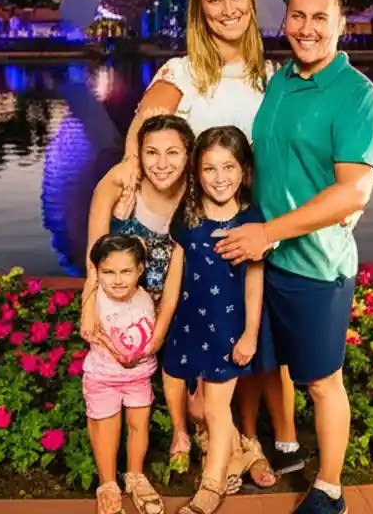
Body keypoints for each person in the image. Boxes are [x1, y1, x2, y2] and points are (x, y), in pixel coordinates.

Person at [100, 0, 298, 482]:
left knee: (253, 338)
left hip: (252, 224)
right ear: (200, 12)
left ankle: (247, 437)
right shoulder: (183, 72)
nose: (227, 9)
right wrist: (127, 170)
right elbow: (143, 127)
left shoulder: (271, 77)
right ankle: (214, 436)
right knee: (200, 333)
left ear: (251, 3)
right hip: (195, 229)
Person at [214, 0, 373, 514]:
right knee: (259, 365)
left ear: (340, 25)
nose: (306, 29)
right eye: (297, 16)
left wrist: (269, 232)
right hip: (262, 264)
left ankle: (330, 491)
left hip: (315, 269)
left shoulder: (356, 95)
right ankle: (263, 447)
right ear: (284, 19)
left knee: (321, 381)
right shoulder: (281, 81)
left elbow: (352, 191)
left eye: (320, 18)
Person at [156, 126, 266, 514]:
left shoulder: (252, 222)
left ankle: (211, 486)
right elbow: (173, 282)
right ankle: (237, 453)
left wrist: (250, 334)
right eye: (209, 169)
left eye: (229, 167)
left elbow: (255, 283)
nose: (220, 179)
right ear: (196, 172)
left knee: (218, 409)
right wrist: (159, 334)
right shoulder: (186, 220)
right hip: (188, 327)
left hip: (229, 329)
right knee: (198, 409)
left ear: (243, 170)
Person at [81, 114, 194, 472]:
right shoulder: (119, 184)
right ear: (138, 154)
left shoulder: (196, 194)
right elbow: (94, 258)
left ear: (189, 155)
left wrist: (160, 329)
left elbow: (181, 271)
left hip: (178, 303)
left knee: (200, 401)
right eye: (152, 153)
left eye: (173, 153)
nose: (162, 164)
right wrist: (88, 307)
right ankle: (112, 475)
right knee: (108, 380)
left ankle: (191, 431)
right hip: (124, 304)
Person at [82, 233, 165, 514]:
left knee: (139, 426)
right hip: (103, 378)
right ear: (96, 273)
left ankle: (135, 476)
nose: (117, 280)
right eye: (108, 272)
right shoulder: (94, 297)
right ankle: (107, 483)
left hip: (139, 377)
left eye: (126, 271)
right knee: (106, 428)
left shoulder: (146, 296)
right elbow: (88, 325)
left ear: (140, 270)